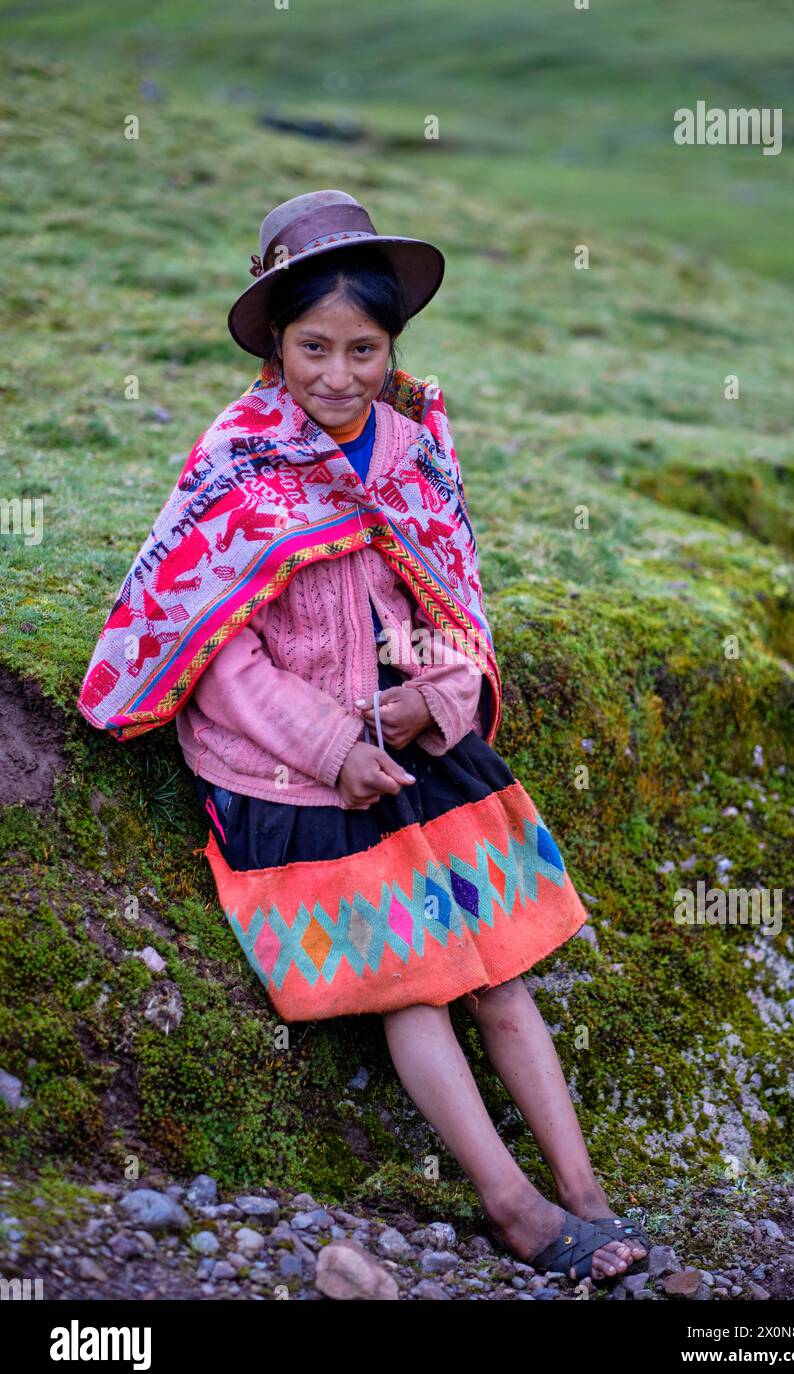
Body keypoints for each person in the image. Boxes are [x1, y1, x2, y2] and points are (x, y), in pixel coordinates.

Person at [79, 190, 650, 1285]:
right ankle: (515, 1209)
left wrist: (432, 698)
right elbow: (217, 655)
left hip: (413, 748)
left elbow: (452, 606)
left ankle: (586, 1194)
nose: (337, 375)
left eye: (363, 349)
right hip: (292, 773)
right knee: (415, 981)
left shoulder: (414, 445)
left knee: (499, 978)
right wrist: (333, 740)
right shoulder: (236, 465)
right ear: (274, 344)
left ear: (392, 346)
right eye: (312, 348)